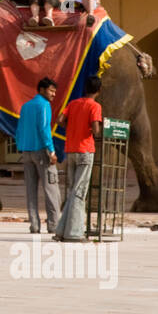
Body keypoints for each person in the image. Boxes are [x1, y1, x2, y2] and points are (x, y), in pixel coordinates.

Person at [54, 76, 103, 241]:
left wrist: (72, 127)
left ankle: (61, 230)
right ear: (98, 91)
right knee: (79, 192)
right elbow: (96, 129)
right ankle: (74, 233)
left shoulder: (73, 103)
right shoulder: (95, 106)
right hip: (85, 150)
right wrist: (98, 131)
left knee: (73, 190)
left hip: (71, 149)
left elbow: (60, 120)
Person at [16, 77, 60, 234]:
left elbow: (19, 130)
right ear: (41, 90)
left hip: (26, 152)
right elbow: (44, 129)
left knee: (31, 190)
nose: (53, 94)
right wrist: (52, 151)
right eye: (51, 90)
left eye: (55, 91)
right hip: (41, 151)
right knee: (51, 189)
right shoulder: (44, 105)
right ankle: (54, 225)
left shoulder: (25, 106)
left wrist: (21, 147)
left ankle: (34, 225)